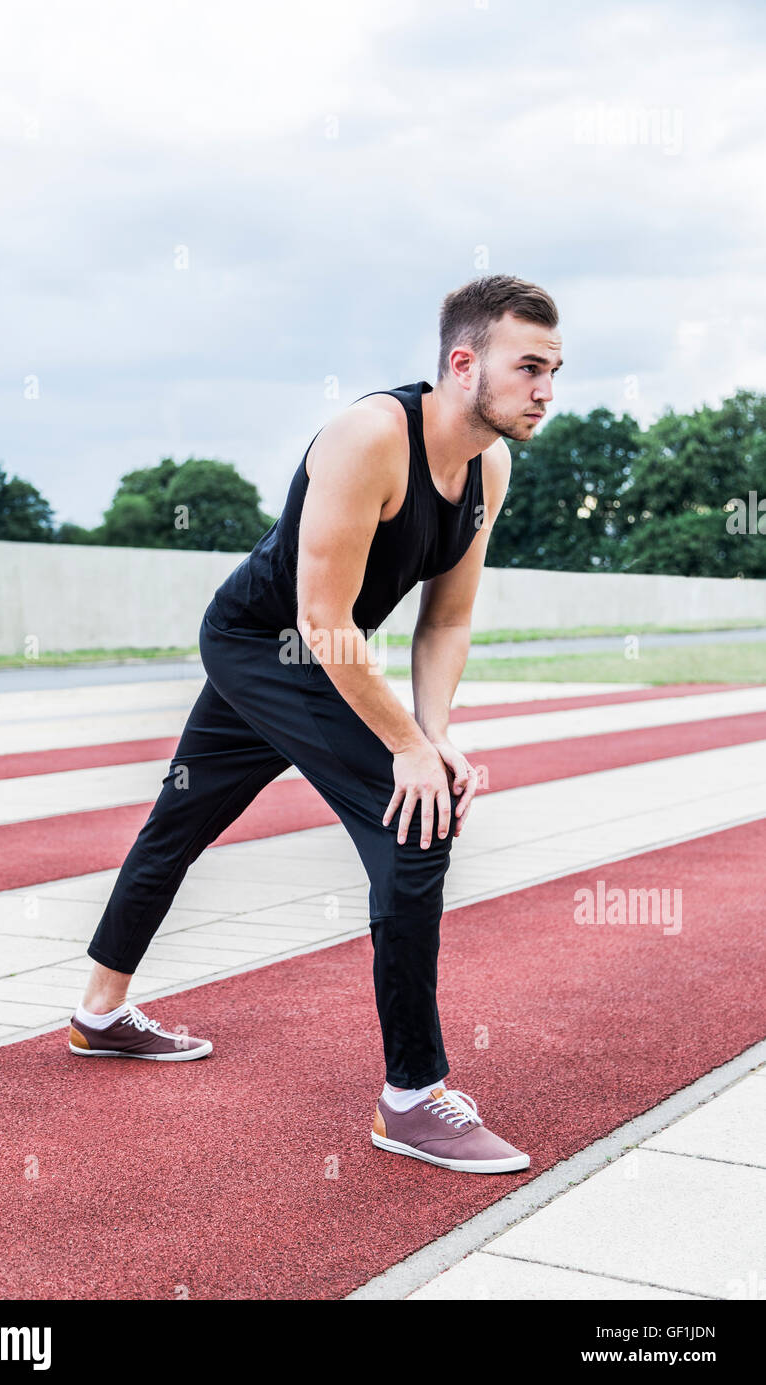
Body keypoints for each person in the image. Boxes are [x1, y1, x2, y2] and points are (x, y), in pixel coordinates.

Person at [68, 273, 562, 1173]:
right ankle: (411, 1098)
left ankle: (99, 1014)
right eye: (529, 367)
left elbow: (445, 619)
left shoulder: (492, 465)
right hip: (263, 640)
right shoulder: (368, 437)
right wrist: (407, 751)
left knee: (181, 821)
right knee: (416, 819)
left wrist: (437, 730)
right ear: (463, 363)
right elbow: (321, 620)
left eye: (555, 371)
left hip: (318, 649)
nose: (546, 391)